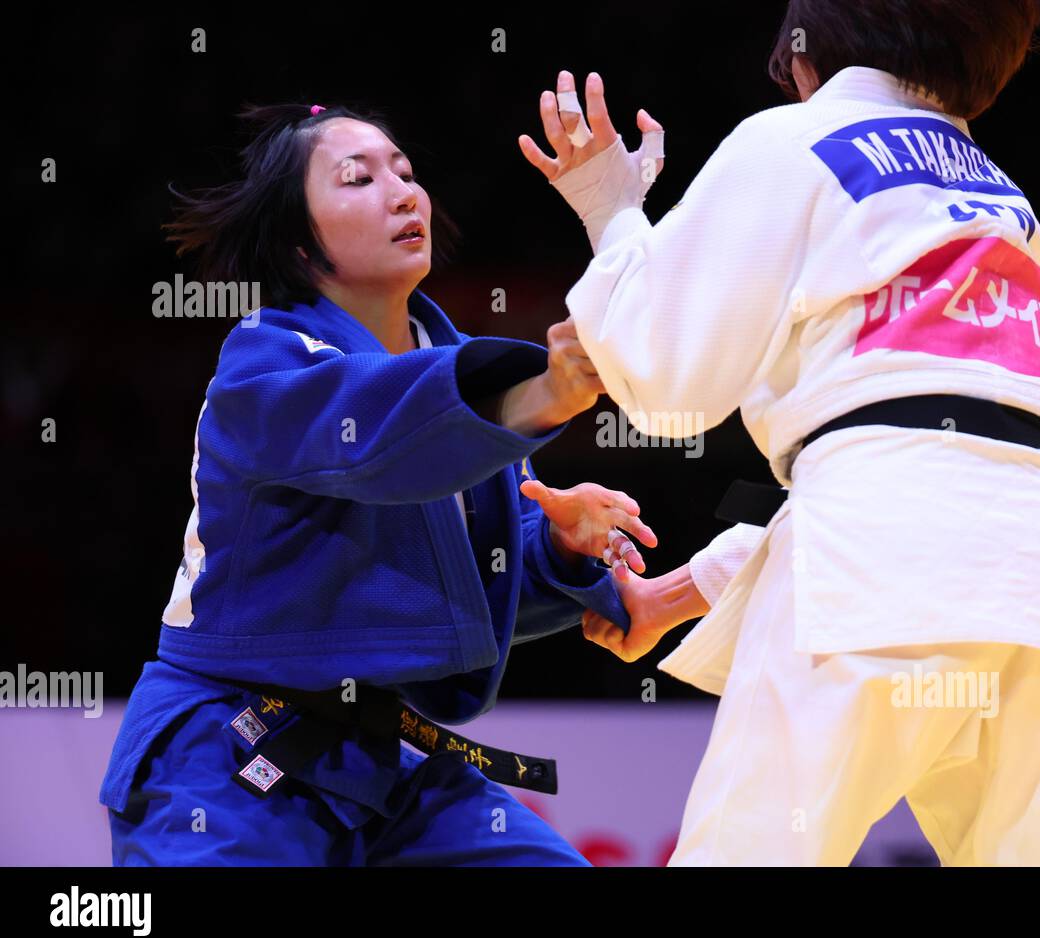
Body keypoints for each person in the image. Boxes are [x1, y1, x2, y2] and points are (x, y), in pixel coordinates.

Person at [521, 0, 1040, 866]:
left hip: (874, 578)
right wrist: (683, 591)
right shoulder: (1004, 200)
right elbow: (926, 450)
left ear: (816, 52)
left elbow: (665, 386)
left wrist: (612, 211)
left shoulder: (796, 139)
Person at [99, 102, 656, 866]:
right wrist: (541, 393)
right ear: (300, 241)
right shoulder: (262, 366)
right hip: (227, 756)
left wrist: (558, 550)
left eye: (406, 173)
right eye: (357, 180)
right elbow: (375, 442)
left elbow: (462, 597)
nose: (402, 194)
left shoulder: (446, 361)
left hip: (384, 763)